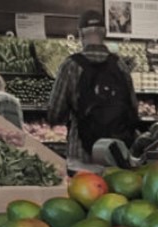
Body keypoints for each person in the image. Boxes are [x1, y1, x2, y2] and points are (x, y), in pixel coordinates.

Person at [47, 8, 140, 172]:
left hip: (82, 155)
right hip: (116, 152)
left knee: (84, 194)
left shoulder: (71, 66)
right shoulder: (120, 65)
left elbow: (55, 113)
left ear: (80, 34)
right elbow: (133, 108)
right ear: (104, 33)